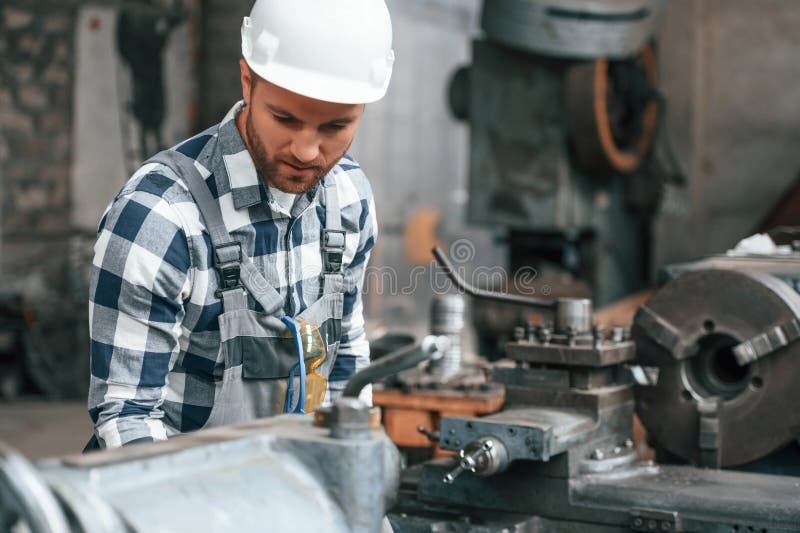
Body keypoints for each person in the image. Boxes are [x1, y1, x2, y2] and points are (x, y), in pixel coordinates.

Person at [87, 0, 394, 448]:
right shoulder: (159, 217)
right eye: (285, 119)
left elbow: (345, 355)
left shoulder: (349, 198)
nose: (307, 150)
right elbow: (128, 418)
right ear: (248, 81)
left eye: (334, 126)